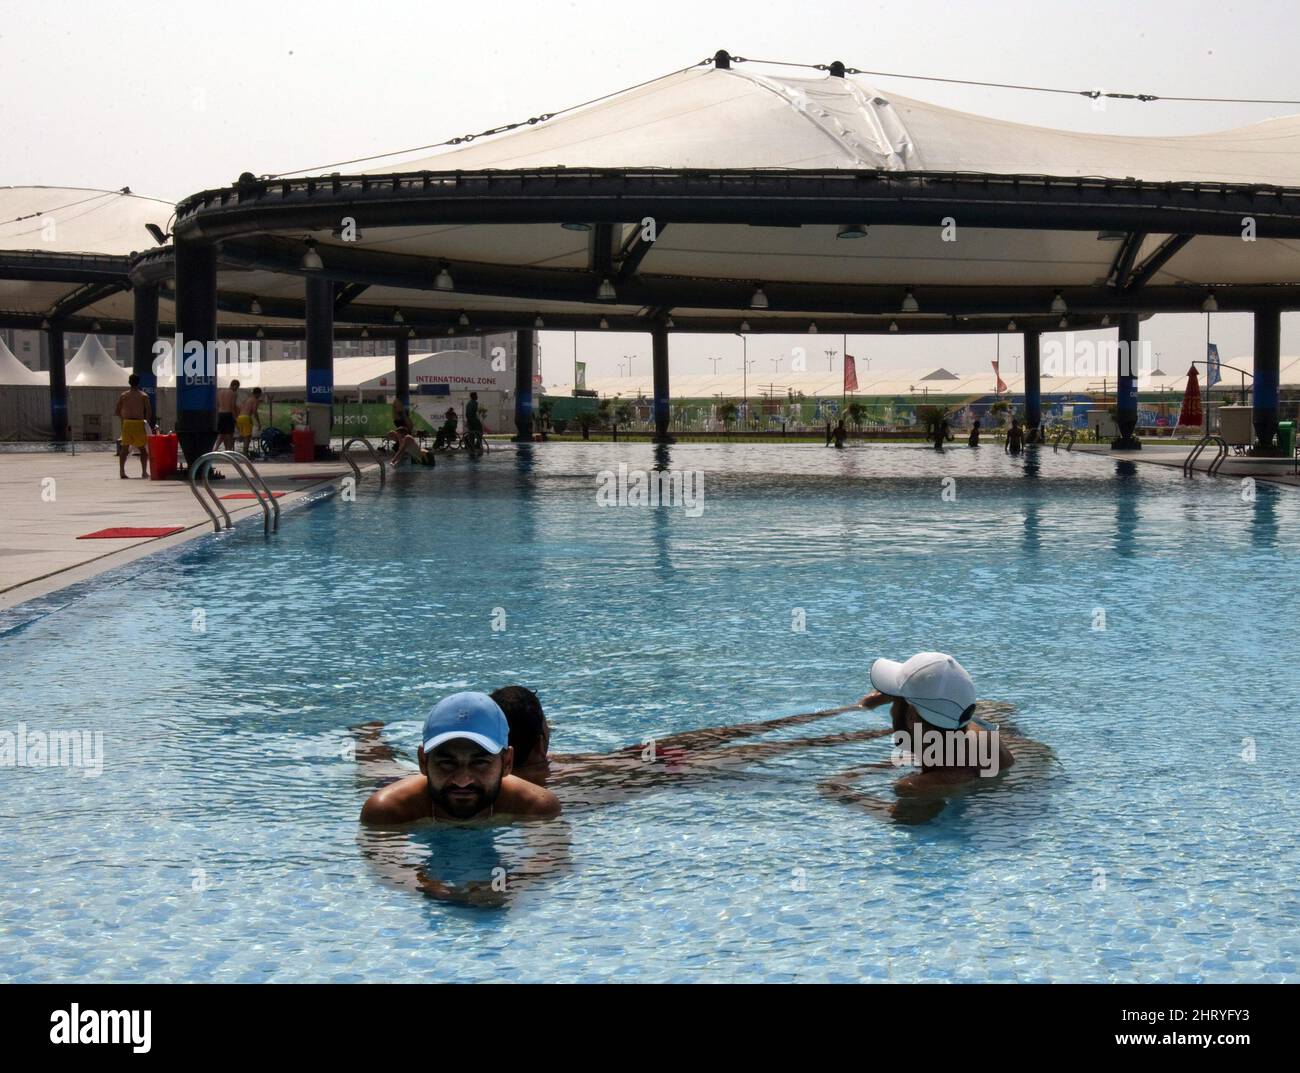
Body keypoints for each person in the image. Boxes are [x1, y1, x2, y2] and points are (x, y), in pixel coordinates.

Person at [818, 652, 1029, 825]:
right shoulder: (974, 733)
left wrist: (833, 789)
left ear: (911, 716)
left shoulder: (918, 786)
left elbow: (905, 820)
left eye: (897, 702)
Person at [360, 692, 560, 824]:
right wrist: (425, 886)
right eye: (446, 763)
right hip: (406, 786)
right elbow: (386, 870)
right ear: (423, 761)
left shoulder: (536, 806)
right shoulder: (389, 810)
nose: (462, 781)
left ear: (507, 762)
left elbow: (548, 865)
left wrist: (503, 887)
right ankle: (368, 736)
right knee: (381, 769)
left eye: (480, 763)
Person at [114, 374, 152, 479]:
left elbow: (117, 411)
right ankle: (144, 472)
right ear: (138, 383)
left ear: (129, 382)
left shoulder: (124, 395)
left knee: (124, 449)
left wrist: (123, 418)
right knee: (143, 450)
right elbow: (148, 411)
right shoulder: (143, 395)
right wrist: (147, 422)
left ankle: (122, 471)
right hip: (138, 423)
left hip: (127, 423)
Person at [215, 380, 240, 451]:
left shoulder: (219, 392)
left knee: (221, 435)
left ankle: (215, 450)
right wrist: (235, 418)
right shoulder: (233, 393)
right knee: (229, 436)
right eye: (237, 387)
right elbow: (232, 406)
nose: (236, 389)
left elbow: (217, 405)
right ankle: (229, 451)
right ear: (235, 385)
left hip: (220, 414)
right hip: (228, 414)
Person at [237, 387, 263, 455]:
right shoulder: (255, 400)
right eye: (260, 395)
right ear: (258, 394)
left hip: (240, 417)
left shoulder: (247, 399)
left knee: (244, 435)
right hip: (246, 418)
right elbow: (254, 411)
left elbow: (240, 407)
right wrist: (259, 422)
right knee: (247, 437)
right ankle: (245, 454)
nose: (260, 396)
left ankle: (241, 437)